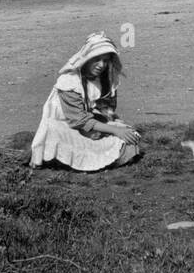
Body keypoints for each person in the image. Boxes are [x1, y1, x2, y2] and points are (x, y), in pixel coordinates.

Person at [29, 32, 142, 170]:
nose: (101, 65)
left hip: (91, 123)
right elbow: (78, 120)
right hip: (66, 127)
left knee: (130, 136)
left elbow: (104, 109)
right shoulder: (69, 82)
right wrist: (113, 130)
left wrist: (114, 122)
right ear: (87, 58)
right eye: (97, 59)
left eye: (105, 60)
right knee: (63, 141)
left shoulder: (103, 81)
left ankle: (101, 154)